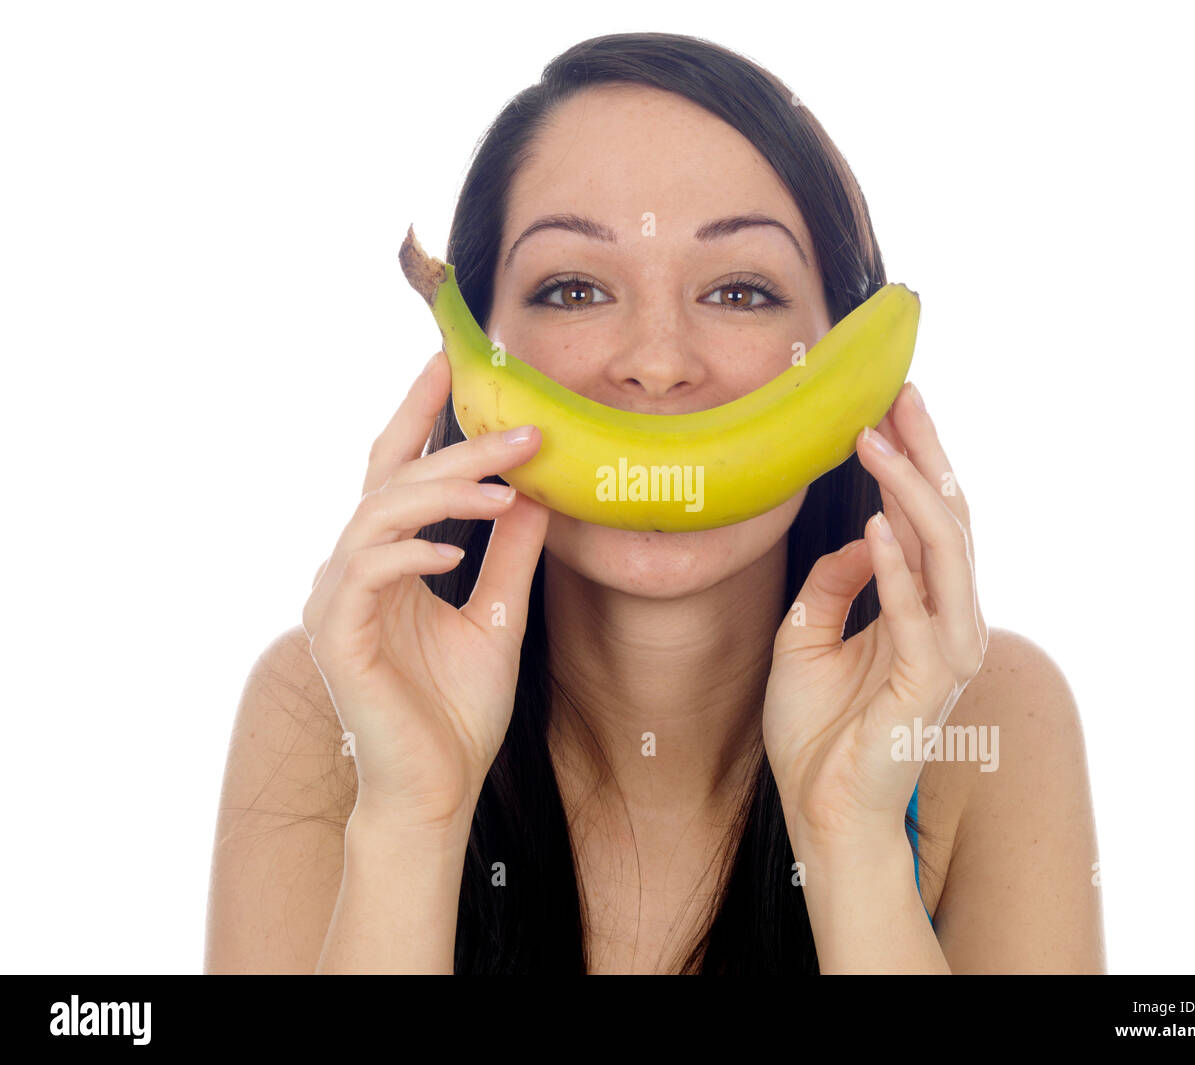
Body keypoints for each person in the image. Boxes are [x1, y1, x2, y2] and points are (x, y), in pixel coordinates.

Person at [204, 32, 1104, 974]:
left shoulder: (987, 716)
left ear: (842, 364)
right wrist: (411, 820)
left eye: (741, 291)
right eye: (575, 288)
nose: (660, 363)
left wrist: (852, 842)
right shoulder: (329, 707)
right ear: (475, 354)